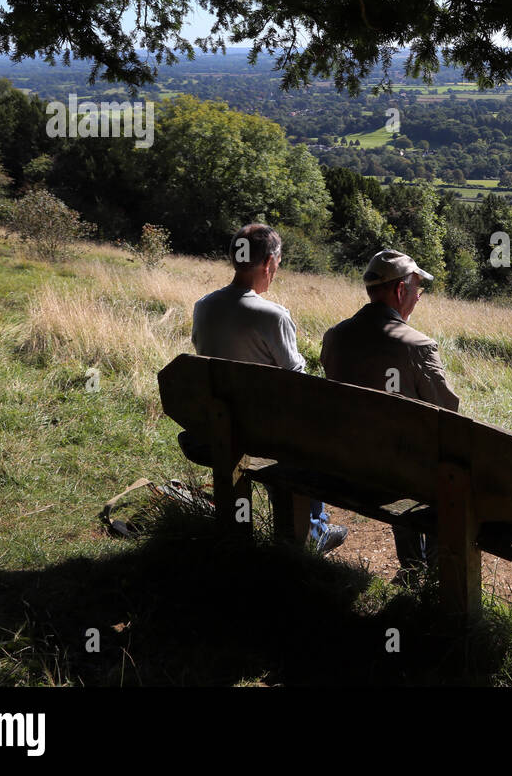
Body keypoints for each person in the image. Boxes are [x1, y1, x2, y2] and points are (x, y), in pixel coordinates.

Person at [190, 223, 347, 554]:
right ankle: (313, 532)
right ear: (268, 262)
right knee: (309, 434)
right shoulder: (272, 315)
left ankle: (298, 524)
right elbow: (297, 380)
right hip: (263, 431)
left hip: (217, 424)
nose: (277, 268)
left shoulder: (204, 305)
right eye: (278, 261)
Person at [320, 248, 458, 582]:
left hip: (344, 465)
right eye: (417, 291)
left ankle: (412, 567)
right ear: (400, 291)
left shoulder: (335, 336)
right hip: (396, 474)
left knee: (395, 450)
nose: (417, 298)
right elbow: (449, 412)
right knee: (434, 465)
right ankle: (437, 577)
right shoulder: (417, 346)